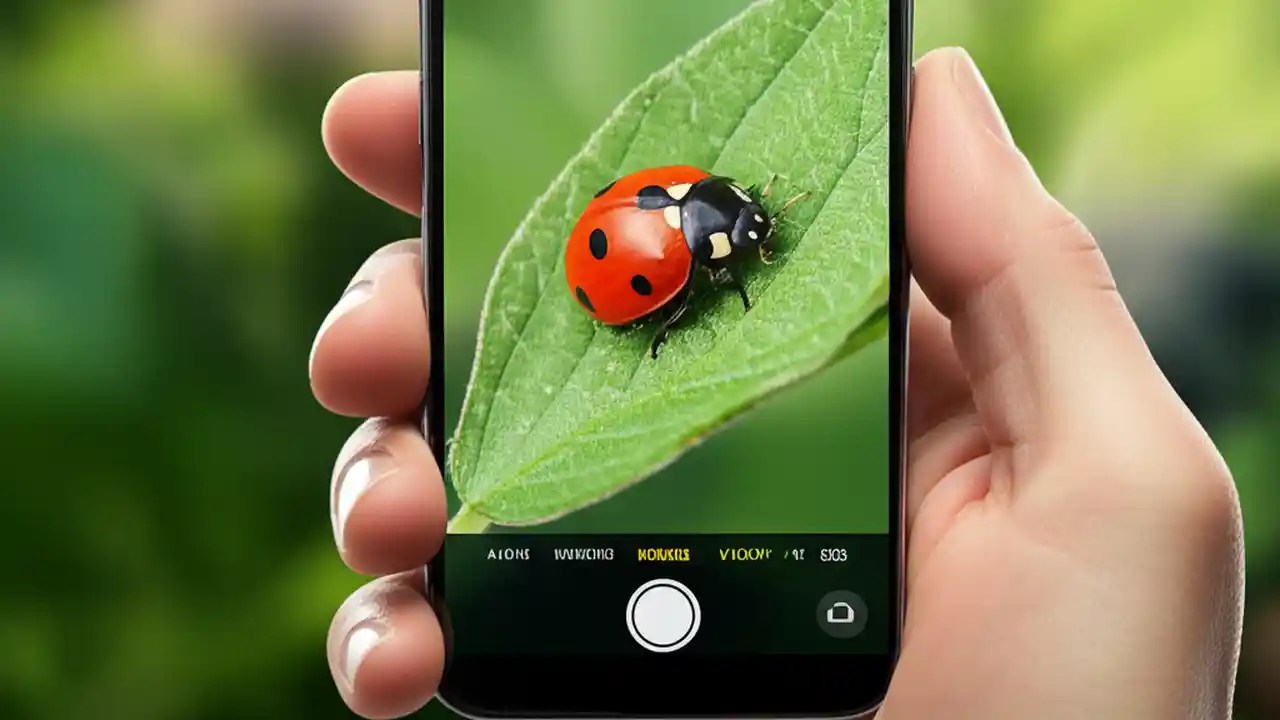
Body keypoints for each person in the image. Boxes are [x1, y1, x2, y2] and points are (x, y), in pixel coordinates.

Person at [309, 48, 1244, 719]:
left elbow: (709, 227)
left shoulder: (704, 214)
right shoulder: (693, 240)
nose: (756, 239)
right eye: (747, 235)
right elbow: (688, 254)